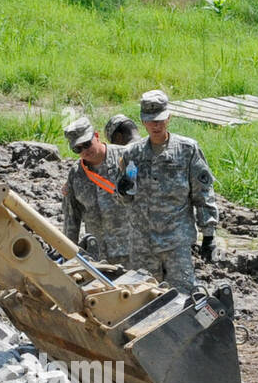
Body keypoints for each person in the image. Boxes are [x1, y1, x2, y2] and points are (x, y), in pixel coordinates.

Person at [115, 90, 218, 294]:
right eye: (151, 121)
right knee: (142, 299)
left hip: (176, 241)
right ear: (143, 122)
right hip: (143, 243)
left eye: (160, 120)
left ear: (169, 117)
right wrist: (122, 190)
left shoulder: (187, 150)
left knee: (182, 298)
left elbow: (203, 193)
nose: (156, 125)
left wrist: (209, 234)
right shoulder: (131, 154)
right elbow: (124, 200)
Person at [60, 115, 135, 270]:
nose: (84, 151)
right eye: (77, 149)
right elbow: (71, 220)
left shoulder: (127, 158)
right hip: (98, 258)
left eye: (87, 144)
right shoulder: (76, 174)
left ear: (96, 136)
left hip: (133, 253)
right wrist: (67, 256)